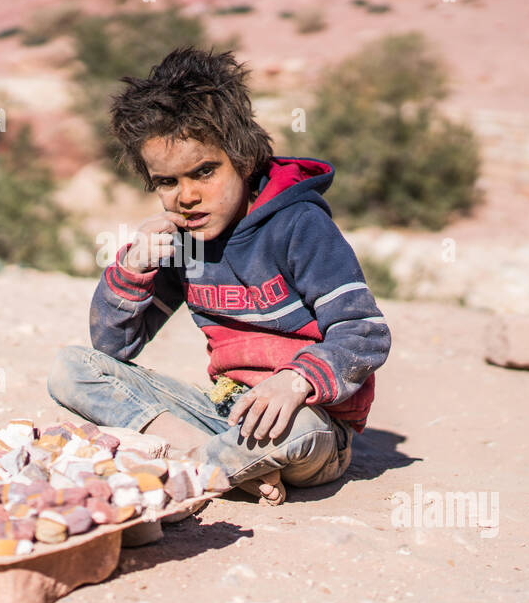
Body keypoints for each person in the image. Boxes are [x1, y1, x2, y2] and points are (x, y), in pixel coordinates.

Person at [47, 46, 390, 507]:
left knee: (298, 431)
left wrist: (294, 382)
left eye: (204, 172)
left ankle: (188, 463)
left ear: (243, 159)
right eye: (167, 182)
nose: (186, 196)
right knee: (72, 370)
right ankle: (211, 462)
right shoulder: (183, 241)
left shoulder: (299, 225)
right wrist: (132, 269)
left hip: (311, 421)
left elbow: (364, 334)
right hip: (224, 413)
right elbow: (113, 350)